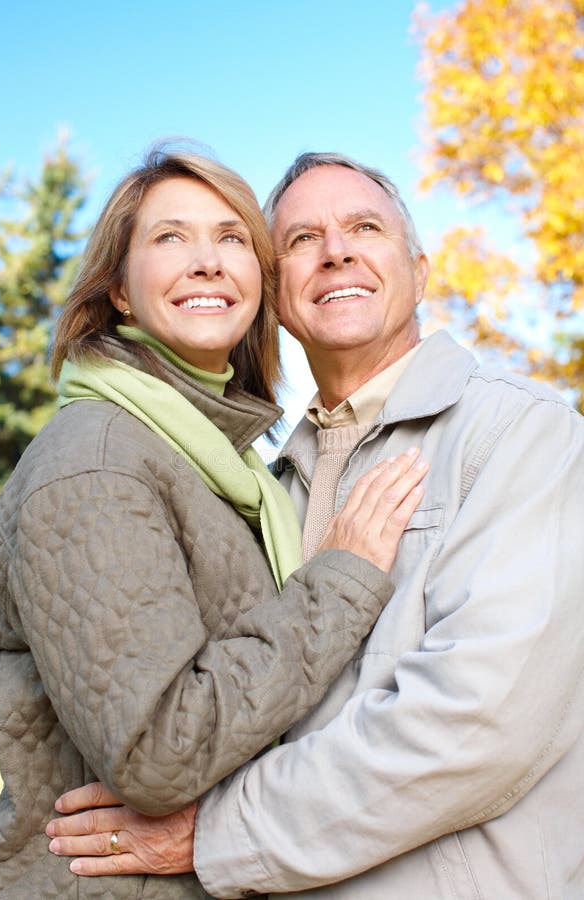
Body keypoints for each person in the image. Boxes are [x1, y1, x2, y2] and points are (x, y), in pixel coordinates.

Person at [46, 152, 584, 898]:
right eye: (302, 240)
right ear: (276, 296)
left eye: (365, 228)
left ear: (420, 272)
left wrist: (218, 834)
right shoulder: (263, 487)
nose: (336, 251)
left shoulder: (520, 432)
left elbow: (481, 722)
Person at [0, 147, 430, 899]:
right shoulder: (98, 459)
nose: (207, 262)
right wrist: (340, 580)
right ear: (119, 292)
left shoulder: (225, 466)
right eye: (170, 238)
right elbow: (158, 751)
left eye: (232, 238)